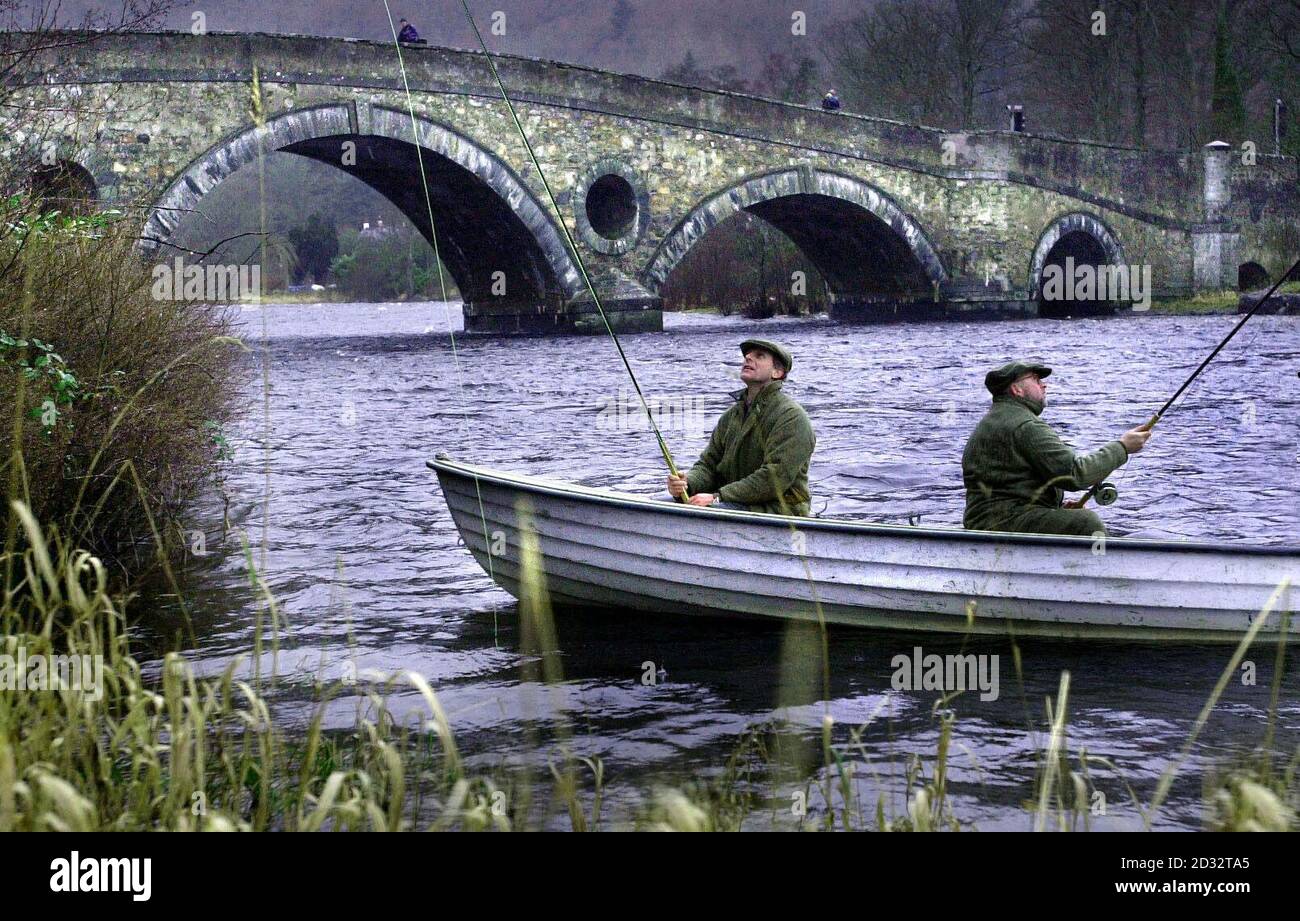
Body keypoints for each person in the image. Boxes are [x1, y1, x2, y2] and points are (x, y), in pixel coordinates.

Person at [961, 361, 1152, 536]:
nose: (1044, 385)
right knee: (1085, 522)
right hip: (1001, 522)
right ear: (1016, 389)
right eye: (1035, 380)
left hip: (989, 520)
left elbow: (1013, 485)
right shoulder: (1025, 426)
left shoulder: (998, 419)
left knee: (1072, 518)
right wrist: (1123, 448)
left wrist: (1055, 509)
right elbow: (1076, 475)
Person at [667, 339, 816, 516]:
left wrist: (717, 497)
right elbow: (709, 465)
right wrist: (687, 483)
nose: (748, 358)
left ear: (777, 372)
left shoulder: (791, 417)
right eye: (747, 356)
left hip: (781, 511)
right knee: (663, 502)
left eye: (759, 356)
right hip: (736, 503)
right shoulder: (731, 416)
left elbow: (773, 478)